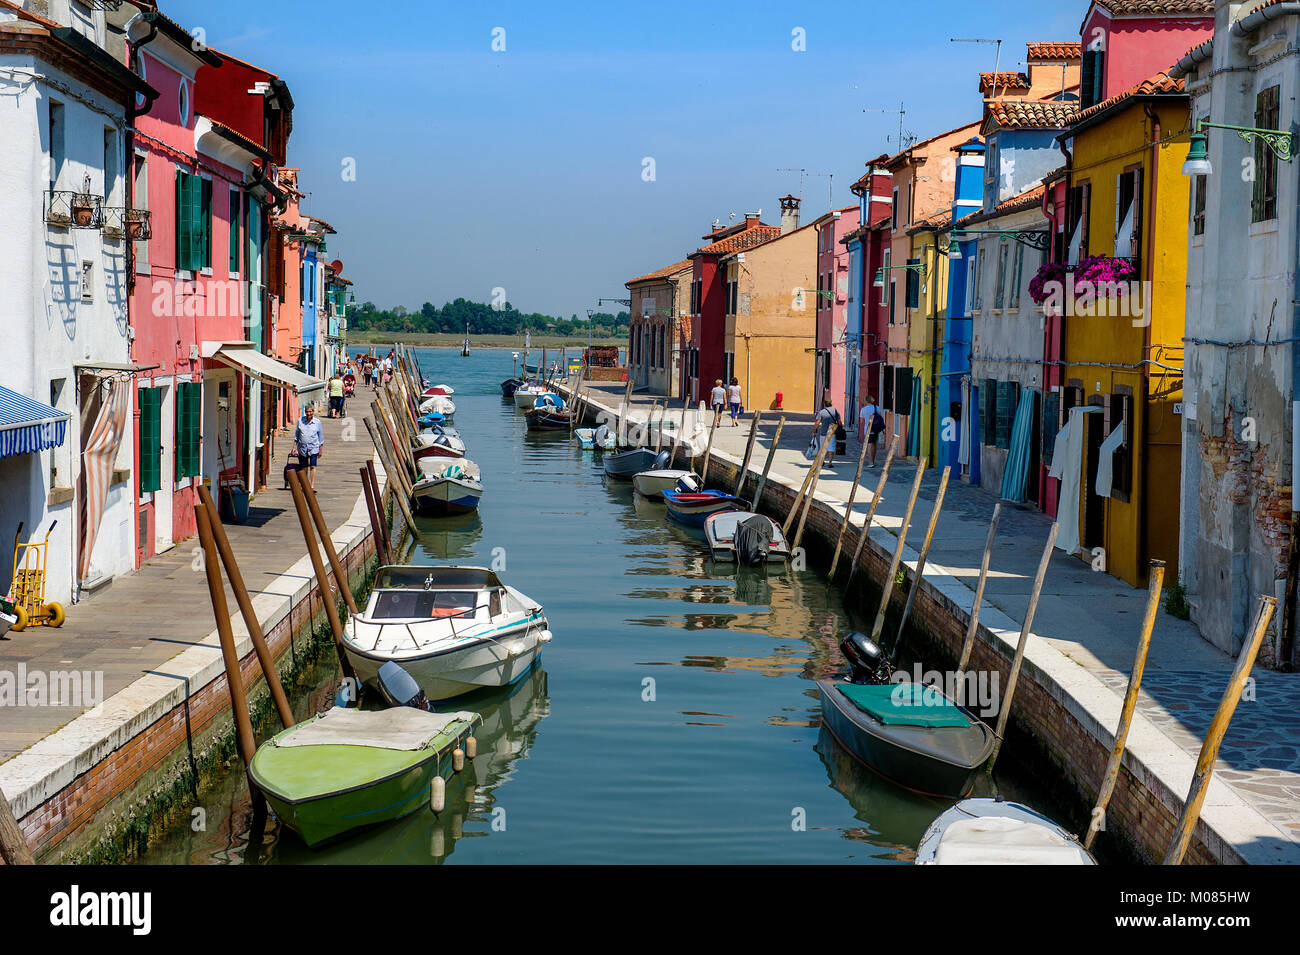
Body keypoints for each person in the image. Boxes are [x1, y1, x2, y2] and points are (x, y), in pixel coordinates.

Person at [293, 403, 324, 490]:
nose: (309, 413)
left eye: (310, 412)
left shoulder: (317, 422)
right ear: (305, 412)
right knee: (304, 467)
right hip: (302, 448)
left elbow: (321, 437)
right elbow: (297, 435)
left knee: (313, 466)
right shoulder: (300, 421)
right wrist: (294, 447)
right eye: (307, 412)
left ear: (313, 412)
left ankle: (312, 485)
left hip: (314, 447)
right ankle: (305, 484)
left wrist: (320, 449)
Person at [858, 394, 885, 468]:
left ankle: (871, 462)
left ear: (866, 401)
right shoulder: (877, 408)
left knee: (869, 444)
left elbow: (861, 421)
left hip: (868, 429)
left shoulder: (863, 409)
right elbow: (881, 418)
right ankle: (873, 460)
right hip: (876, 429)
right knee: (874, 444)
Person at [815, 398, 843, 469]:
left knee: (822, 447)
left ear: (824, 404)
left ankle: (822, 461)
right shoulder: (836, 411)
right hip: (832, 432)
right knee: (831, 447)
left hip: (823, 432)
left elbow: (817, 423)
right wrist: (841, 427)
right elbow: (839, 422)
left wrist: (814, 430)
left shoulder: (821, 412)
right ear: (831, 403)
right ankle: (830, 462)